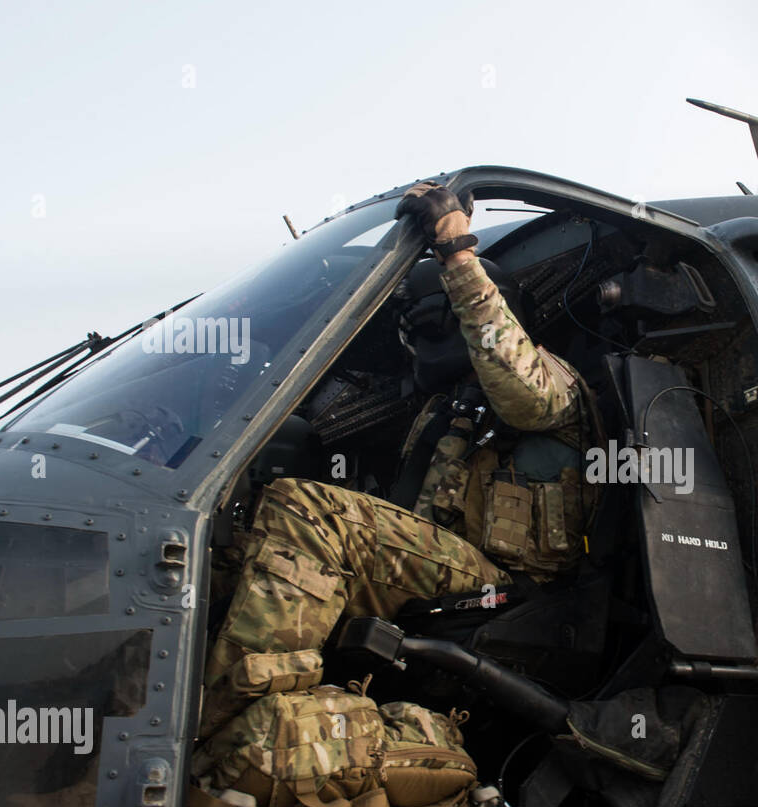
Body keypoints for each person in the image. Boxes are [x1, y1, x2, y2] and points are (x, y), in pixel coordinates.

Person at [198, 183, 598, 739]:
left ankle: (230, 724)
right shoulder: (438, 409)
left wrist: (458, 254)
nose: (419, 338)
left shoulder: (553, 380)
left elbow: (519, 386)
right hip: (437, 568)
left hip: (510, 590)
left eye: (435, 320)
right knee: (229, 549)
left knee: (309, 513)